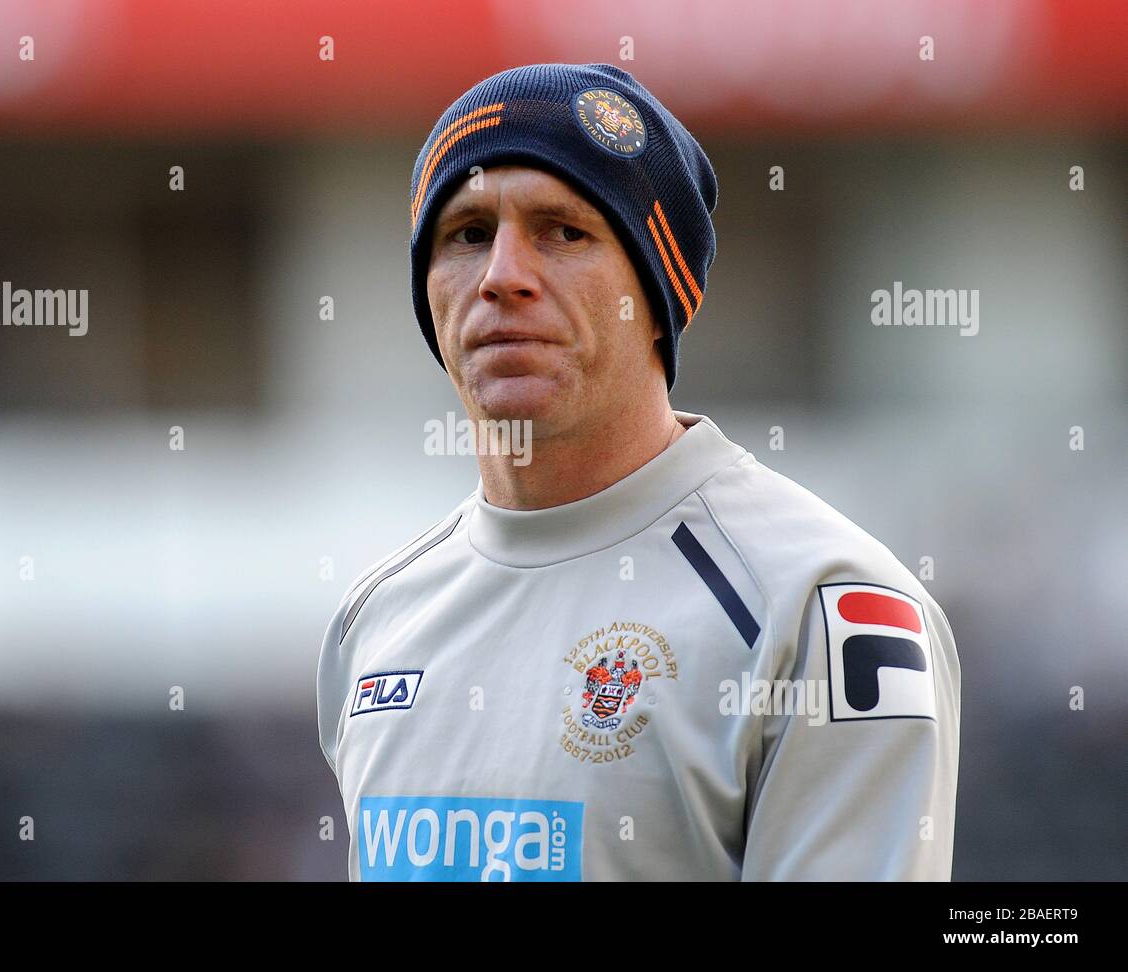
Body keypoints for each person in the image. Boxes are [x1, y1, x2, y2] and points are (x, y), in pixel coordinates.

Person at [317, 62, 960, 881]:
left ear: (659, 296)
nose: (502, 276)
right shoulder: (374, 618)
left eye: (564, 231)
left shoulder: (823, 608)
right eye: (468, 233)